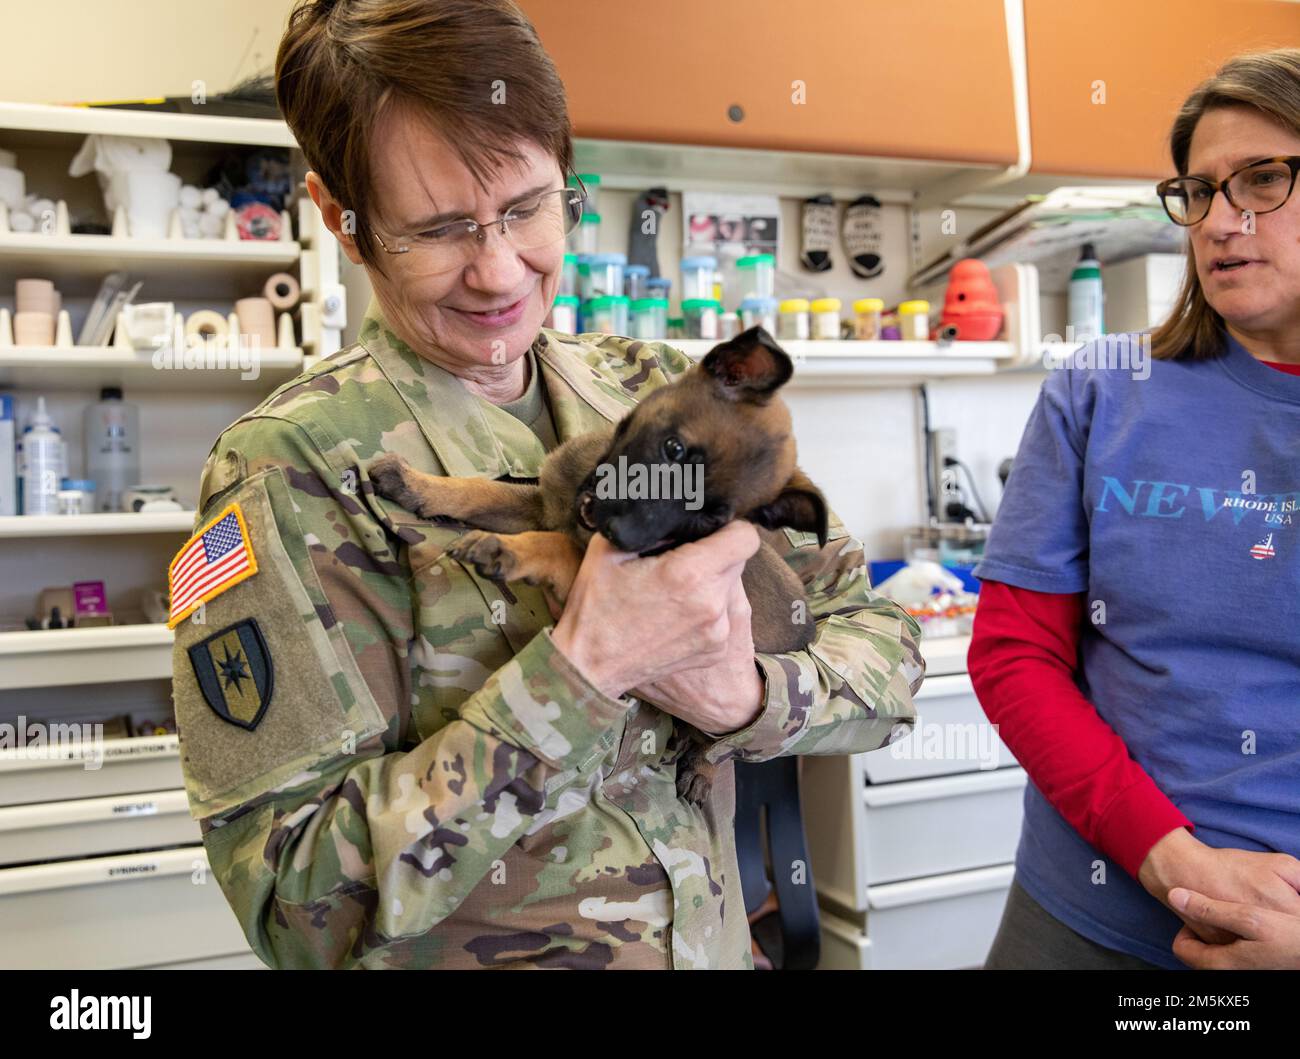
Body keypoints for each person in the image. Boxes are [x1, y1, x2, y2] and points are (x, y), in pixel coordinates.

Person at [167, 0, 924, 970]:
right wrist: (580, 673)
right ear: (341, 222)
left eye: (526, 208)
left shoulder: (662, 392)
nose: (497, 271)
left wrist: (749, 696)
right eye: (438, 229)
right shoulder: (286, 476)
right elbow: (296, 905)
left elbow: (888, 651)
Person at [971, 48, 1300, 970]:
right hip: (1085, 909)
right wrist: (1172, 861)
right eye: (1200, 191)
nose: (1222, 222)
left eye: (1265, 179)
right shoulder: (1102, 390)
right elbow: (1013, 652)